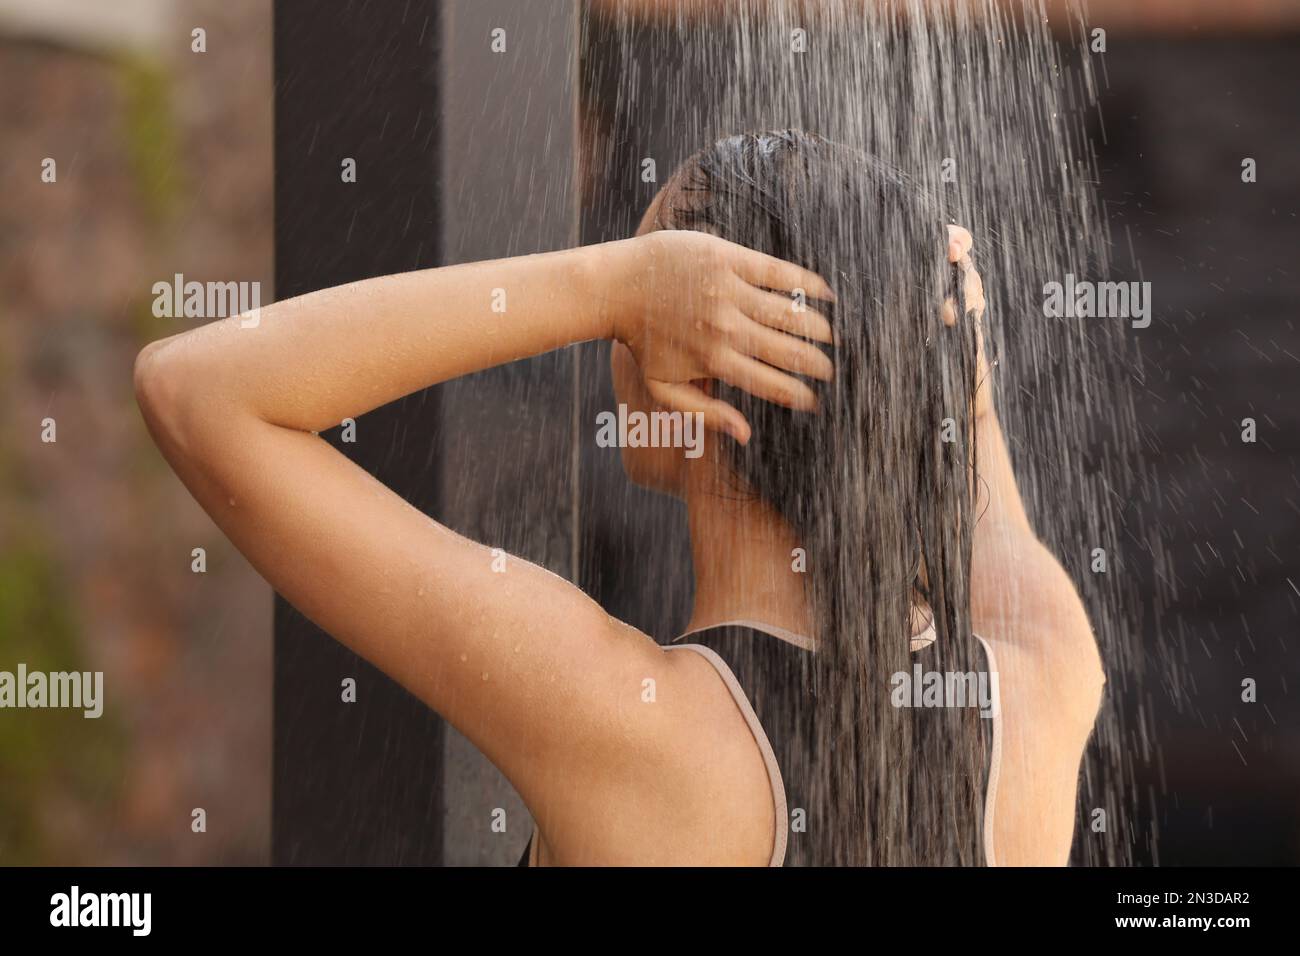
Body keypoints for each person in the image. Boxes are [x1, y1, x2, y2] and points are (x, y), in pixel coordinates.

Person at [134, 129, 1104, 866]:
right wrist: (935, 347)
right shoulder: (1037, 688)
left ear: (706, 379)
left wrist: (602, 285)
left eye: (646, 303)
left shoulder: (622, 719)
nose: (618, 338)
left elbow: (198, 389)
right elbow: (968, 454)